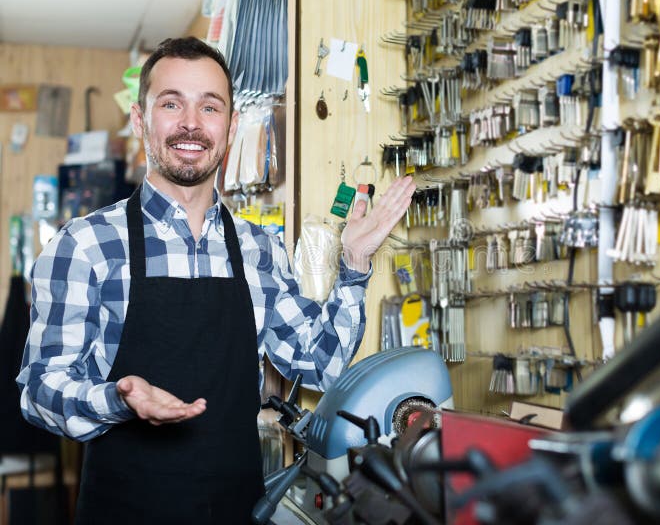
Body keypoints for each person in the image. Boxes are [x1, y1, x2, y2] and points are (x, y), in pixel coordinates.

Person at [16, 36, 415, 524]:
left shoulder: (259, 249)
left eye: (209, 107)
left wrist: (354, 263)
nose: (191, 123)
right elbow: (39, 391)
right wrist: (118, 399)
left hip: (237, 509)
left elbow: (320, 366)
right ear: (140, 120)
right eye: (171, 103)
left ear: (230, 126)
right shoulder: (85, 245)